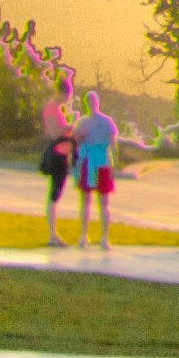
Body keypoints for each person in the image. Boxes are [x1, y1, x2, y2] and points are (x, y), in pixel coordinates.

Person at [71, 89, 121, 256]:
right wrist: (76, 165)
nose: (92, 104)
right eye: (89, 101)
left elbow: (113, 143)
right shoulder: (82, 122)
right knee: (85, 199)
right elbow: (77, 143)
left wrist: (114, 163)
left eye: (94, 101)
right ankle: (84, 236)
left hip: (102, 162)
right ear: (86, 103)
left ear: (98, 102)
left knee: (104, 201)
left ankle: (105, 237)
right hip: (87, 161)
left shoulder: (107, 121)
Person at [40, 89, 75, 250]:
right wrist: (68, 129)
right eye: (66, 96)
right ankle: (52, 236)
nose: (66, 100)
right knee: (53, 195)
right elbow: (54, 133)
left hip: (62, 154)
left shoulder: (55, 108)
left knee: (55, 195)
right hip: (57, 155)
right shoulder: (52, 108)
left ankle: (53, 235)